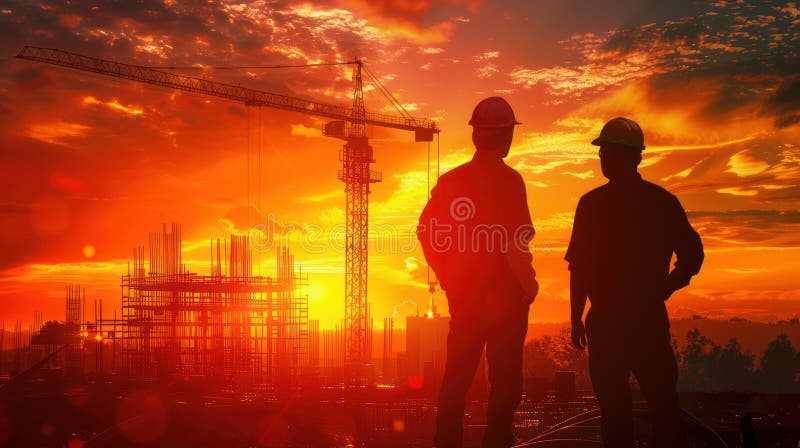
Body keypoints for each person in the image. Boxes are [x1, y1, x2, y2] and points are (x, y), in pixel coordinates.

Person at [566, 117, 704, 448]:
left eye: (607, 153)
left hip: (611, 322)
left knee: (619, 412)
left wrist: (576, 317)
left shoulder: (592, 204)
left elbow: (579, 269)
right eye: (602, 153)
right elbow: (693, 254)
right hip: (644, 319)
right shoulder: (660, 202)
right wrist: (666, 287)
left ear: (630, 157)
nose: (603, 159)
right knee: (662, 406)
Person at [417, 97, 539, 448]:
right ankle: (497, 442)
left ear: (476, 136)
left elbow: (426, 231)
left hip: (466, 296)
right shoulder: (509, 181)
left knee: (457, 378)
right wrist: (528, 285)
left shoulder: (453, 181)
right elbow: (515, 242)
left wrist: (449, 277)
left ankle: (447, 443)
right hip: (506, 300)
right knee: (505, 380)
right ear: (506, 136)